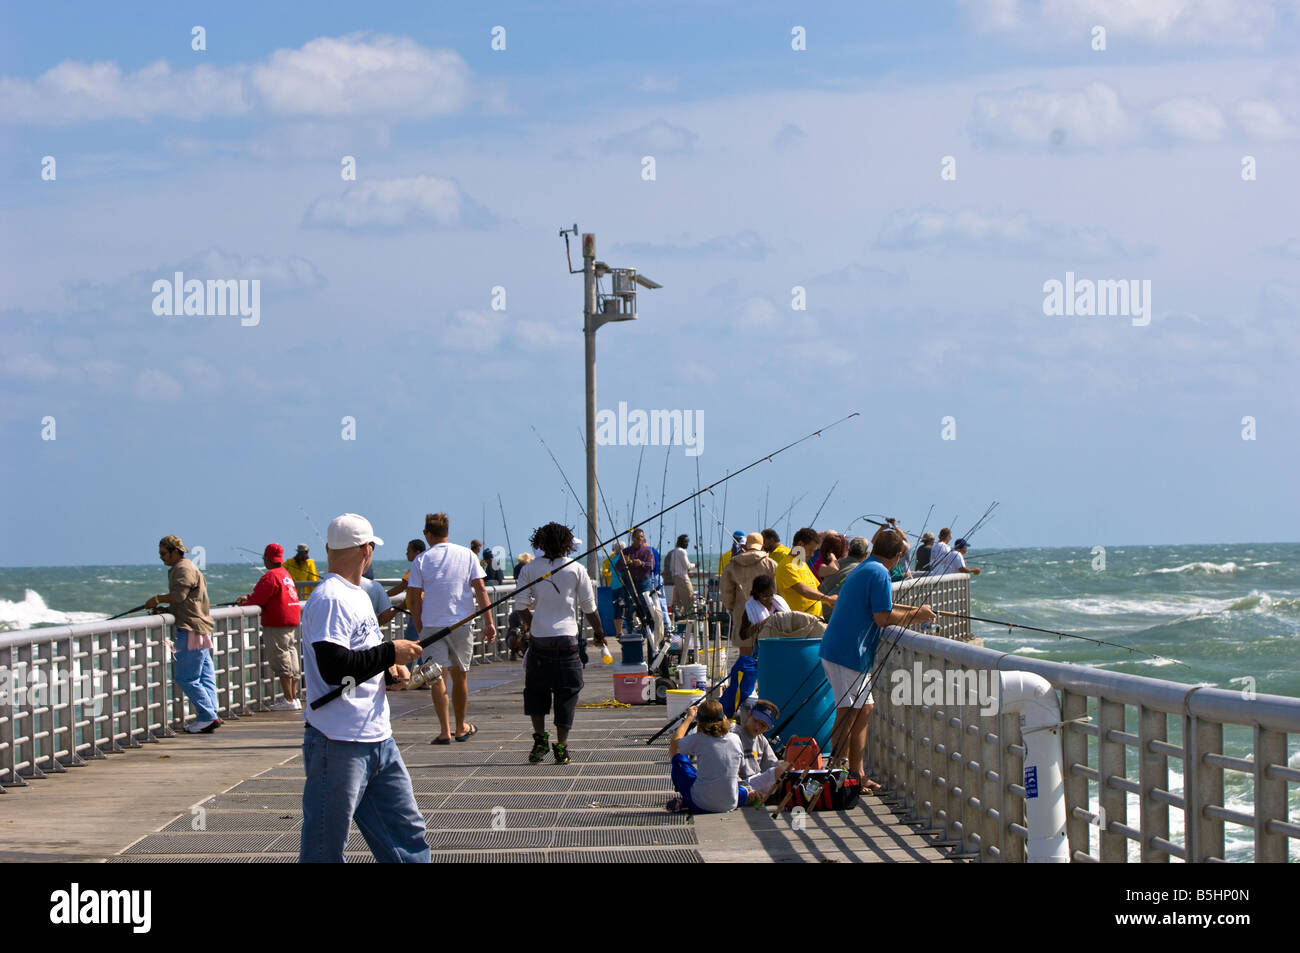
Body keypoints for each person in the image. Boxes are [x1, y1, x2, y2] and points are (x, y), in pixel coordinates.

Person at [298, 513, 428, 863]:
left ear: (328, 548)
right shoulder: (331, 599)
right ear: (367, 550)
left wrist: (387, 672)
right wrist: (390, 652)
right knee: (324, 849)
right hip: (337, 742)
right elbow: (332, 668)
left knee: (408, 837)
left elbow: (356, 661)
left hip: (378, 739)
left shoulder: (358, 595)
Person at [818, 528, 935, 791]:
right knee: (848, 712)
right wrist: (917, 616)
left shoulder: (866, 566)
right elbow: (882, 617)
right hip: (848, 652)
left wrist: (919, 611)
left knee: (863, 709)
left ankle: (856, 773)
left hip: (838, 648)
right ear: (896, 556)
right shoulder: (880, 572)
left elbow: (881, 608)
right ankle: (839, 770)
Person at [515, 522, 606, 765]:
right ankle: (562, 747)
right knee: (566, 695)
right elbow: (590, 608)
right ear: (567, 543)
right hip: (567, 642)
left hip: (540, 642)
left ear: (540, 543)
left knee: (536, 693)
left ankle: (539, 740)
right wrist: (599, 633)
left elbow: (521, 606)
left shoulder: (529, 569)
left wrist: (534, 625)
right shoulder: (576, 568)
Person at [407, 512, 498, 744]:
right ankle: (460, 727)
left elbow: (414, 599)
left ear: (428, 534)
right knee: (460, 677)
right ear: (447, 532)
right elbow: (480, 590)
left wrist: (420, 627)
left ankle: (444, 731)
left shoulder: (421, 560)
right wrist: (489, 622)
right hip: (462, 624)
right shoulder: (467, 554)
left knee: (436, 678)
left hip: (432, 625)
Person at [147, 535, 221, 733]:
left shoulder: (183, 568)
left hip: (191, 630)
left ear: (174, 551)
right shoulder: (187, 566)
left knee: (185, 678)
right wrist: (168, 610)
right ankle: (211, 713)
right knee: (205, 677)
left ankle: (207, 716)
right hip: (202, 629)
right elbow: (187, 602)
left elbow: (180, 596)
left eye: (164, 553)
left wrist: (156, 599)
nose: (162, 558)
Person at [236, 542, 303, 710]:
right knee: (291, 656)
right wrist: (249, 598)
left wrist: (245, 603)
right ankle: (294, 698)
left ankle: (288, 699)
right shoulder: (285, 574)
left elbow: (258, 599)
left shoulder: (270, 576)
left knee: (280, 658)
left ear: (267, 558)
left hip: (277, 623)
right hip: (291, 621)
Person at [720, 532, 778, 654]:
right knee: (767, 654)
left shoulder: (732, 565)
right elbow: (776, 591)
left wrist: (733, 608)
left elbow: (726, 593)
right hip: (766, 615)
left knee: (745, 656)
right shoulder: (771, 564)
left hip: (741, 613)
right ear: (762, 546)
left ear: (746, 546)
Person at [731, 699, 788, 798]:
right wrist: (745, 789)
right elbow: (730, 771)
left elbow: (773, 765)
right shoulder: (735, 734)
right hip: (741, 785)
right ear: (749, 715)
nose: (757, 727)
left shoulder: (762, 740)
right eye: (755, 721)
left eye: (763, 725)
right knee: (780, 771)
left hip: (756, 781)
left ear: (769, 728)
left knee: (786, 768)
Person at [776, 527, 836, 619]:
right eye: (810, 550)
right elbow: (803, 590)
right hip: (801, 622)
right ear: (800, 544)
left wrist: (828, 601)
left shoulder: (801, 563)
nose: (812, 555)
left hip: (815, 619)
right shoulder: (786, 565)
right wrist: (828, 598)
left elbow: (813, 590)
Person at [734, 574, 790, 652]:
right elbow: (743, 635)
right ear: (757, 594)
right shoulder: (751, 608)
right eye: (765, 596)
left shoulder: (779, 603)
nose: (769, 599)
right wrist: (760, 624)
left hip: (783, 644)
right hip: (763, 647)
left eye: (771, 595)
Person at [387, 538, 427, 644]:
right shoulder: (426, 565)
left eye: (408, 550)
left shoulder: (416, 567)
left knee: (412, 643)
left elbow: (403, 586)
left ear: (417, 553)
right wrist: (397, 609)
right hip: (423, 611)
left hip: (418, 612)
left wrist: (385, 594)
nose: (406, 553)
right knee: (421, 642)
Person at [664, 534, 696, 623]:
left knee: (679, 601)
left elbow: (672, 568)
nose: (687, 544)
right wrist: (695, 565)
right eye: (686, 542)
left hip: (676, 578)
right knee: (689, 598)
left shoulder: (674, 552)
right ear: (681, 542)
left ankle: (682, 618)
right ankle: (689, 618)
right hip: (683, 578)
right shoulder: (682, 551)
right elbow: (687, 565)